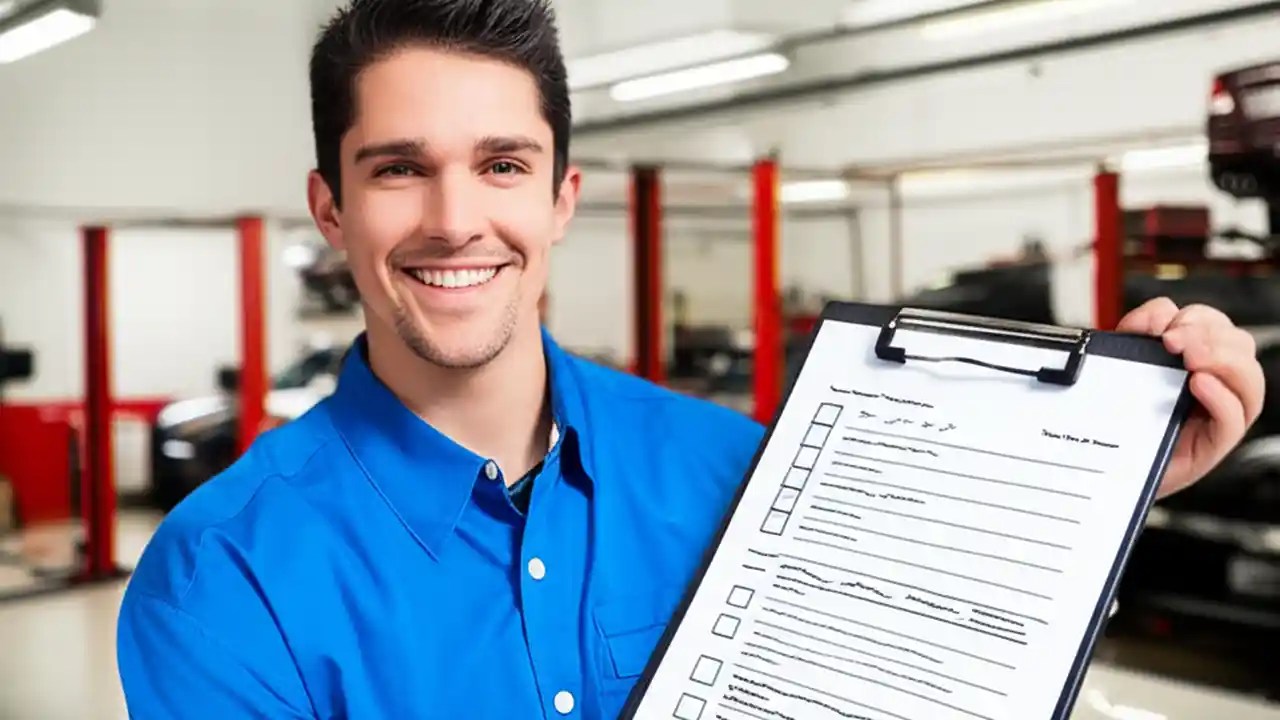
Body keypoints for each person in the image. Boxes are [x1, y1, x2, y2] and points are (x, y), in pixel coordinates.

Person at [115, 1, 1266, 718]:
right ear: (330, 207)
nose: (455, 218)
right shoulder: (222, 580)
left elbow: (914, 651)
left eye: (503, 165)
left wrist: (1103, 475)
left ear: (563, 199)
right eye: (400, 167)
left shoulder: (747, 471)